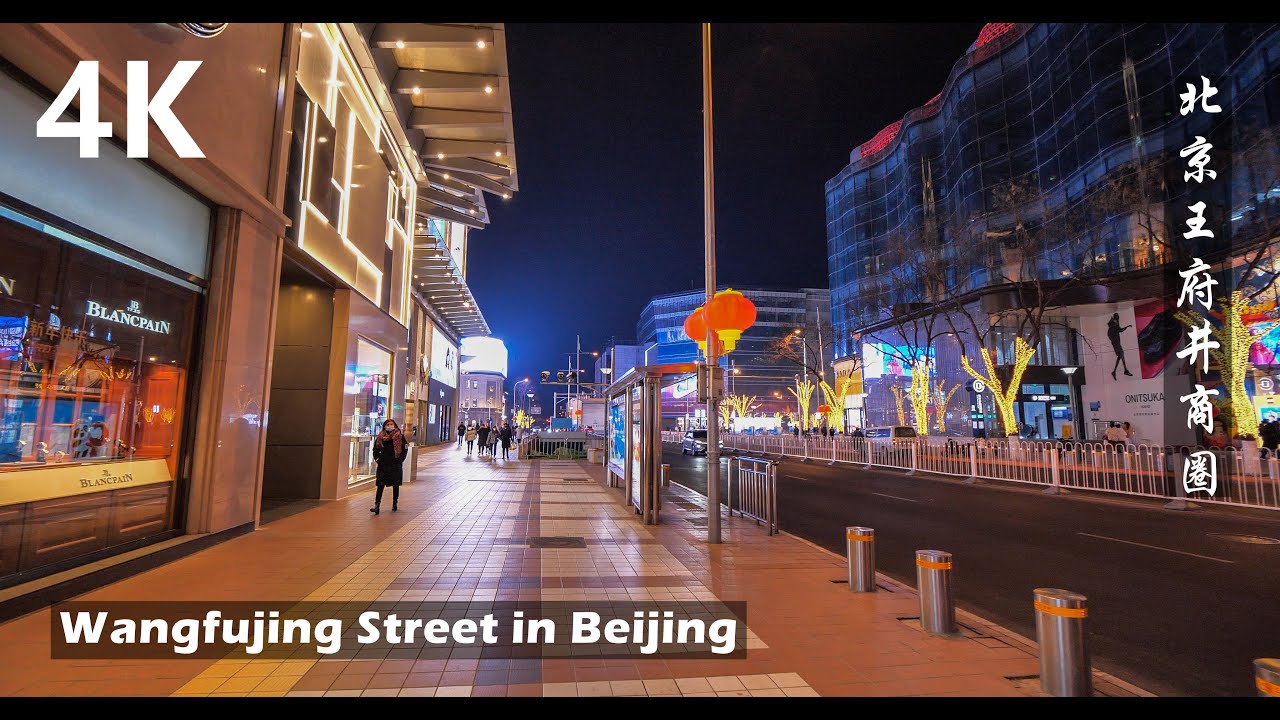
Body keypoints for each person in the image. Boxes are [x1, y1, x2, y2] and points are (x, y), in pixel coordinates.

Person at [370, 418, 408, 515]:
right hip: (383, 464)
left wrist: (400, 460)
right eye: (388, 424)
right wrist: (377, 459)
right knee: (380, 485)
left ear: (394, 425)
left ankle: (395, 503)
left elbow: (405, 449)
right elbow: (375, 449)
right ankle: (377, 505)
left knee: (395, 485)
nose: (389, 426)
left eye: (391, 424)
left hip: (395, 464)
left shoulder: (400, 436)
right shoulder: (380, 436)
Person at [1108, 312, 1133, 380]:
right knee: (1121, 355)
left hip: (1116, 343)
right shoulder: (1113, 326)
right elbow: (1119, 330)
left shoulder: (1114, 325)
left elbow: (1119, 329)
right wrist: (1127, 327)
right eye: (1117, 317)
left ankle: (1123, 370)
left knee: (1121, 355)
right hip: (1116, 344)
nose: (1118, 318)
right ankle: (1119, 371)